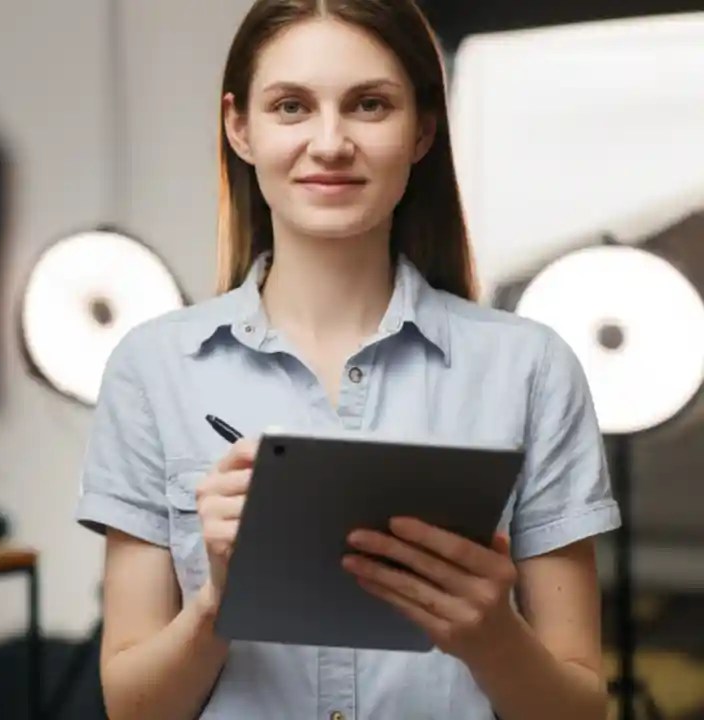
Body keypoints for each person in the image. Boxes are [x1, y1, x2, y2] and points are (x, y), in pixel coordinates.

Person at [73, 1, 621, 718]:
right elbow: (133, 709)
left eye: (369, 105)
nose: (330, 143)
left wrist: (492, 637)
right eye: (291, 106)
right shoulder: (152, 370)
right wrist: (217, 602)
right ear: (240, 127)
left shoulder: (532, 371)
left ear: (422, 128)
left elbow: (581, 710)